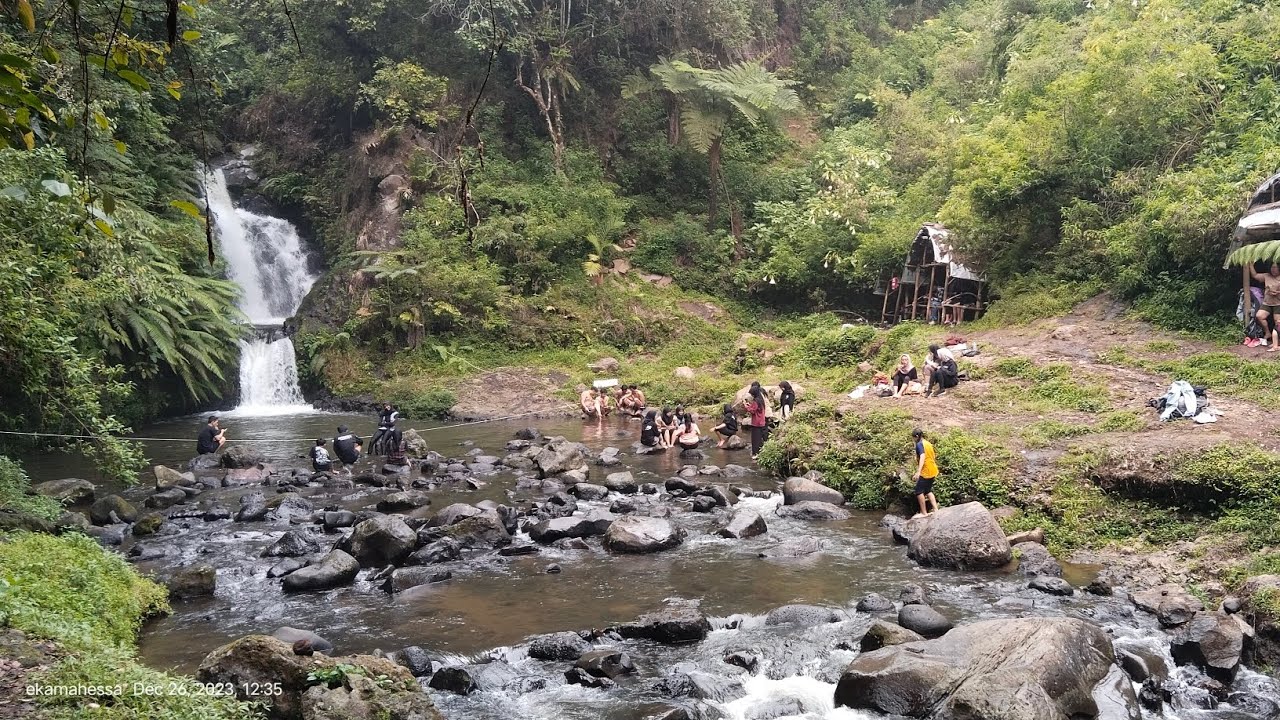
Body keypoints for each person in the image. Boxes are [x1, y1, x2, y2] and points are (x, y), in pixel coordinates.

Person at [1250, 262, 1280, 351]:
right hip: (1267, 303)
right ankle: (1267, 333)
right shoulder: (1266, 276)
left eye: (1275, 267)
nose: (1273, 269)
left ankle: (1277, 343)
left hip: (1278, 303)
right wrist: (1250, 264)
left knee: (1278, 323)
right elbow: (1254, 275)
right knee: (1259, 316)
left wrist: (1278, 293)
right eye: (1272, 267)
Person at [911, 428, 939, 518]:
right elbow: (933, 455)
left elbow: (923, 456)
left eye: (913, 438)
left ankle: (924, 512)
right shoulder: (927, 443)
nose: (913, 440)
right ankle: (935, 509)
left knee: (919, 492)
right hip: (933, 469)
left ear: (916, 436)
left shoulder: (919, 444)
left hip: (926, 471)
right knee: (928, 490)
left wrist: (918, 471)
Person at [745, 385, 770, 460]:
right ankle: (761, 451)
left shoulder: (756, 401)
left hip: (756, 422)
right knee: (760, 438)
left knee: (755, 439)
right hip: (761, 421)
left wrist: (746, 406)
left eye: (752, 394)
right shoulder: (760, 399)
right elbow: (756, 408)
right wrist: (750, 406)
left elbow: (752, 411)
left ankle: (756, 453)